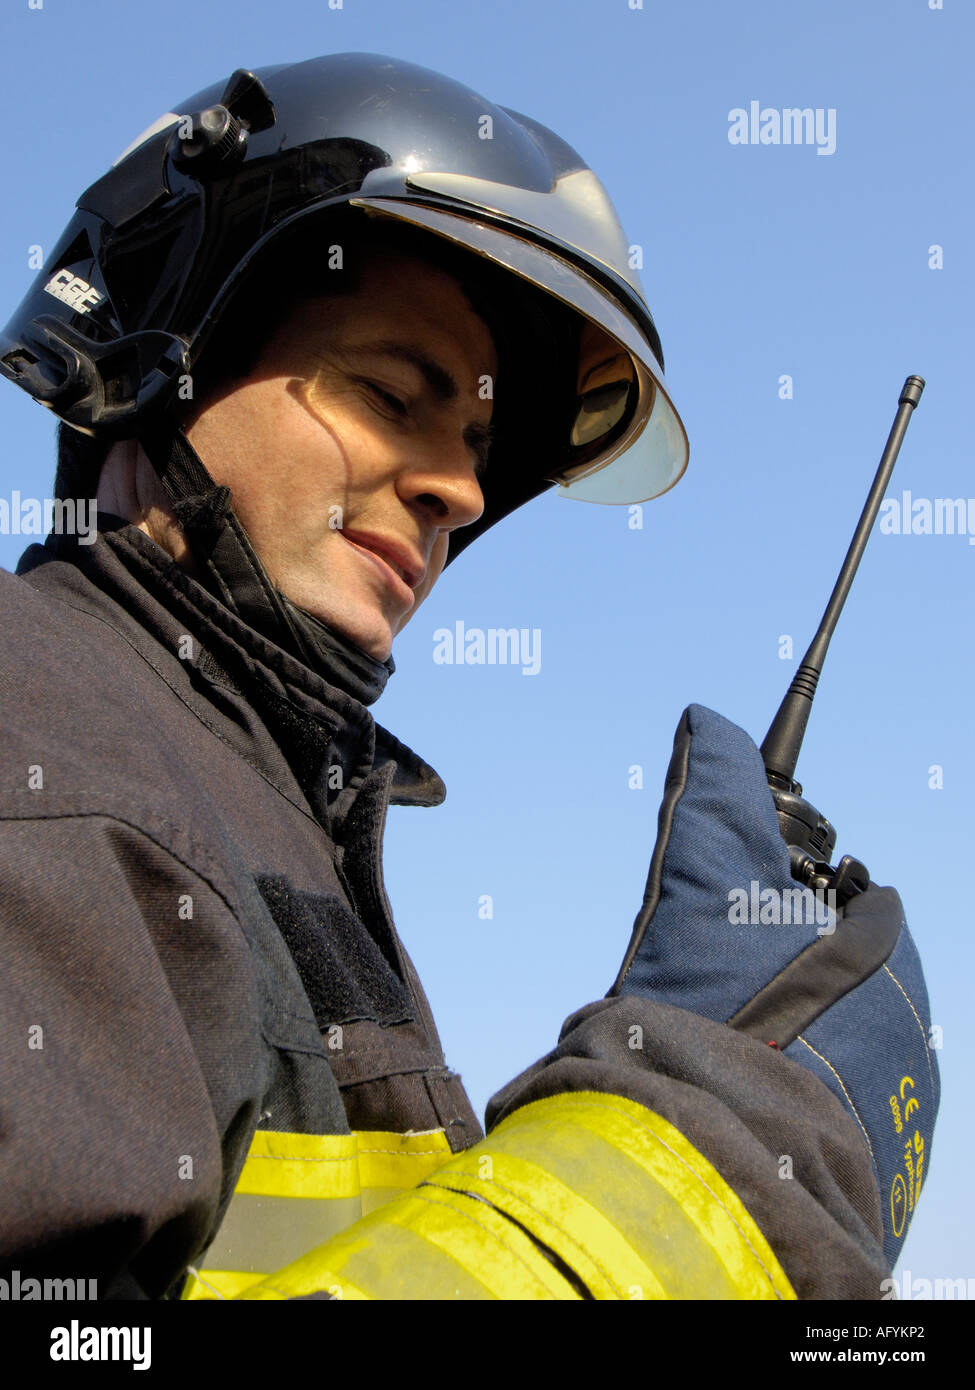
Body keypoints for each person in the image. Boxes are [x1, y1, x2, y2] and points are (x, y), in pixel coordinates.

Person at [0, 52, 937, 1301]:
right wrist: (693, 1145)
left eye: (479, 447)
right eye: (392, 393)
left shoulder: (263, 807)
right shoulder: (46, 751)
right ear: (156, 362)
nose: (460, 487)